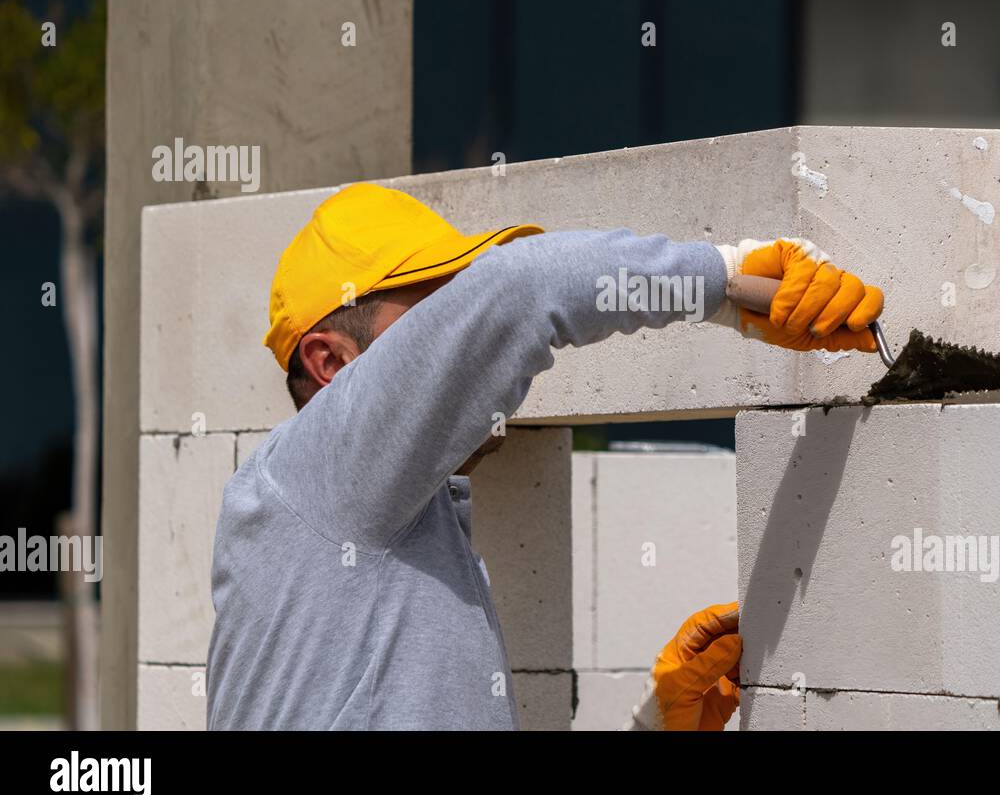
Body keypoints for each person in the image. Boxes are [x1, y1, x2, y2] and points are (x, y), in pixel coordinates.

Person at [205, 183, 884, 730]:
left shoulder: (392, 537)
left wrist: (658, 726)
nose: (468, 347)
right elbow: (523, 287)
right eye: (439, 312)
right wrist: (726, 280)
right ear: (332, 362)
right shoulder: (321, 471)